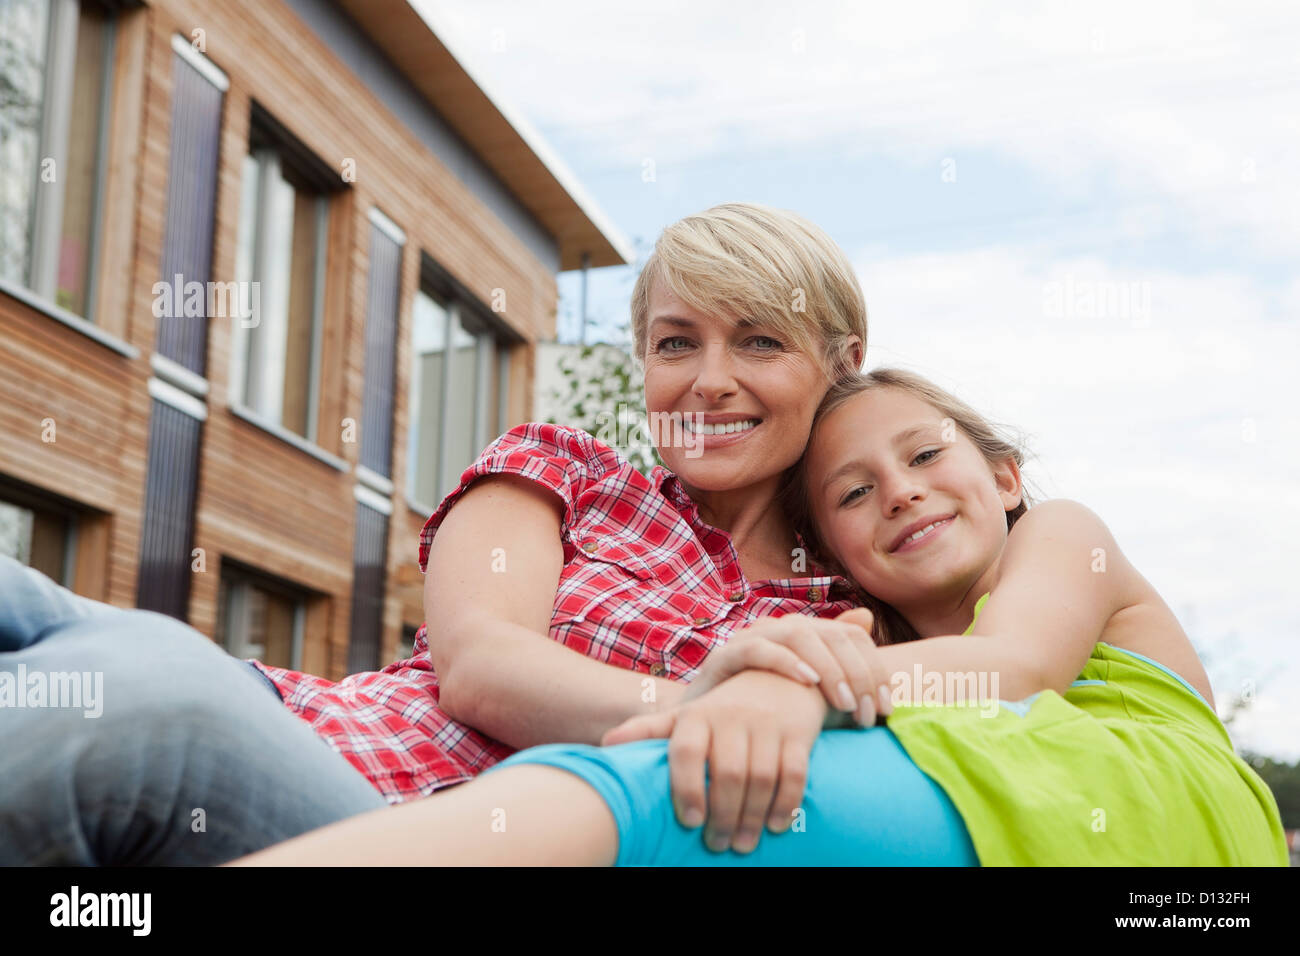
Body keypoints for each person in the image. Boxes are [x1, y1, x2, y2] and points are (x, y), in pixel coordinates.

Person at [1, 202, 879, 863]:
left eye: (760, 342)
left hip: (385, 821)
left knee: (146, 712)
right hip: (296, 718)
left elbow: (1014, 637)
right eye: (676, 344)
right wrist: (697, 704)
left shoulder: (838, 617)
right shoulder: (566, 467)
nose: (708, 381)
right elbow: (479, 667)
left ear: (843, 364)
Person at [233, 368, 1289, 866]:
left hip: (1153, 806)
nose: (903, 492)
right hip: (999, 797)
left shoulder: (1058, 534)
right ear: (831, 552)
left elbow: (1009, 666)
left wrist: (782, 681)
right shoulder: (872, 633)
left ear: (1002, 473)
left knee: (688, 788)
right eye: (854, 493)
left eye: (925, 455)